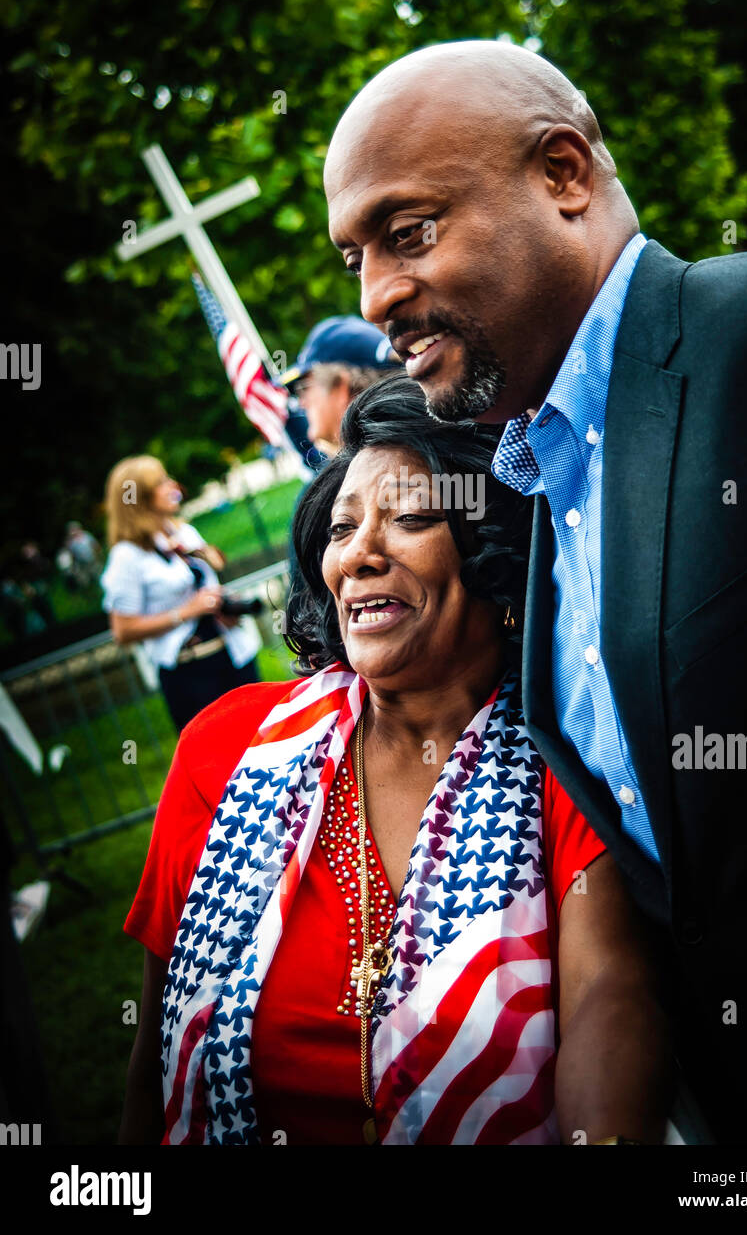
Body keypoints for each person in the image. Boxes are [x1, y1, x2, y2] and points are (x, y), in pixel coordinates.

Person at [322, 40, 747, 1145]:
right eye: (355, 259)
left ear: (563, 174)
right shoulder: (528, 485)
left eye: (408, 230)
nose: (377, 294)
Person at [119, 375, 672, 1146]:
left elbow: (608, 995)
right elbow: (151, 1066)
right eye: (341, 530)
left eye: (409, 517)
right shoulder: (224, 746)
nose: (359, 556)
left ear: (494, 555)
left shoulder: (564, 752)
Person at [101, 455, 261, 734]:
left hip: (235, 655)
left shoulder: (183, 532)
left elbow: (210, 578)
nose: (172, 485)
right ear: (138, 497)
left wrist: (221, 604)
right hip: (191, 675)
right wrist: (186, 612)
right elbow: (122, 630)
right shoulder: (126, 556)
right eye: (161, 482)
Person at [282, 314, 402, 458]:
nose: (301, 403)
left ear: (340, 388)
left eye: (303, 388)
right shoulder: (414, 445)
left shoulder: (374, 470)